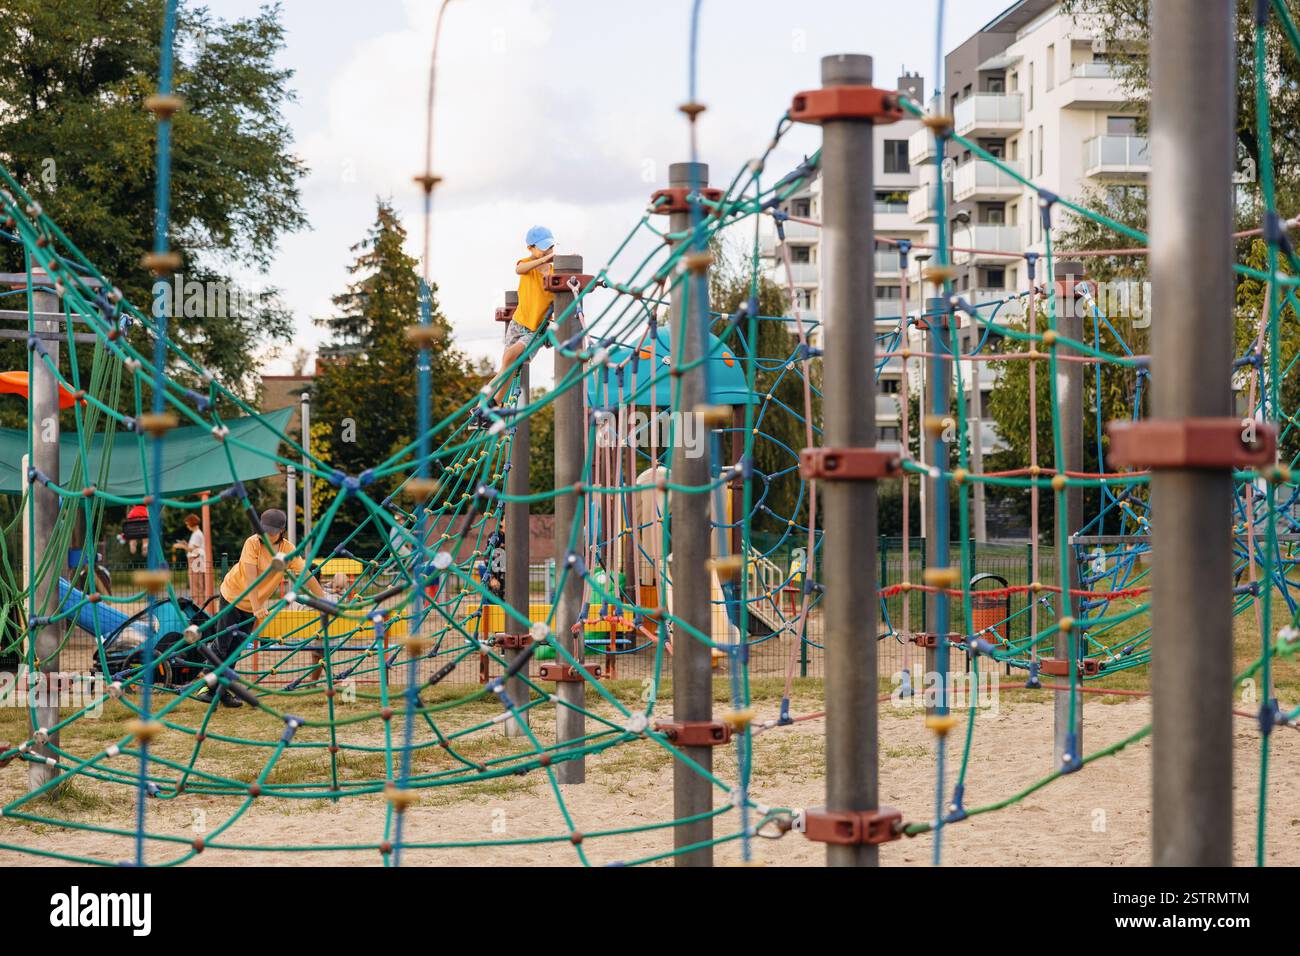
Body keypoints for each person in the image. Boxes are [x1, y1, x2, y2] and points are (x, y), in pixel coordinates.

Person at [197, 508, 327, 707]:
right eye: (262, 529)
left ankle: (222, 692)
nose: (265, 534)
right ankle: (207, 686)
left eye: (271, 531)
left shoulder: (288, 551)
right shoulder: (252, 543)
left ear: (281, 531)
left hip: (252, 606)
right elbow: (250, 578)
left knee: (236, 648)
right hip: (232, 596)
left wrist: (323, 599)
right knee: (222, 644)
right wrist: (258, 606)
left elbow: (307, 576)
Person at [478, 226, 556, 421]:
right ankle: (492, 404)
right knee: (507, 364)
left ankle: (489, 402)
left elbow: (553, 289)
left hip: (535, 329)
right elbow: (518, 268)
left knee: (511, 357)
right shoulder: (528, 264)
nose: (548, 252)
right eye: (543, 248)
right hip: (518, 322)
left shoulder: (553, 270)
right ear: (530, 247)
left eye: (551, 248)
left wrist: (548, 267)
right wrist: (541, 261)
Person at [172, 514, 209, 607]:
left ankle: (198, 605)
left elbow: (193, 550)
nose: (187, 526)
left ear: (191, 523)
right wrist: (186, 544)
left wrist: (181, 546)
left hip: (195, 561)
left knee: (195, 585)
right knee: (196, 585)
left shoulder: (197, 534)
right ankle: (199, 604)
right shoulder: (196, 534)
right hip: (196, 560)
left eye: (187, 524)